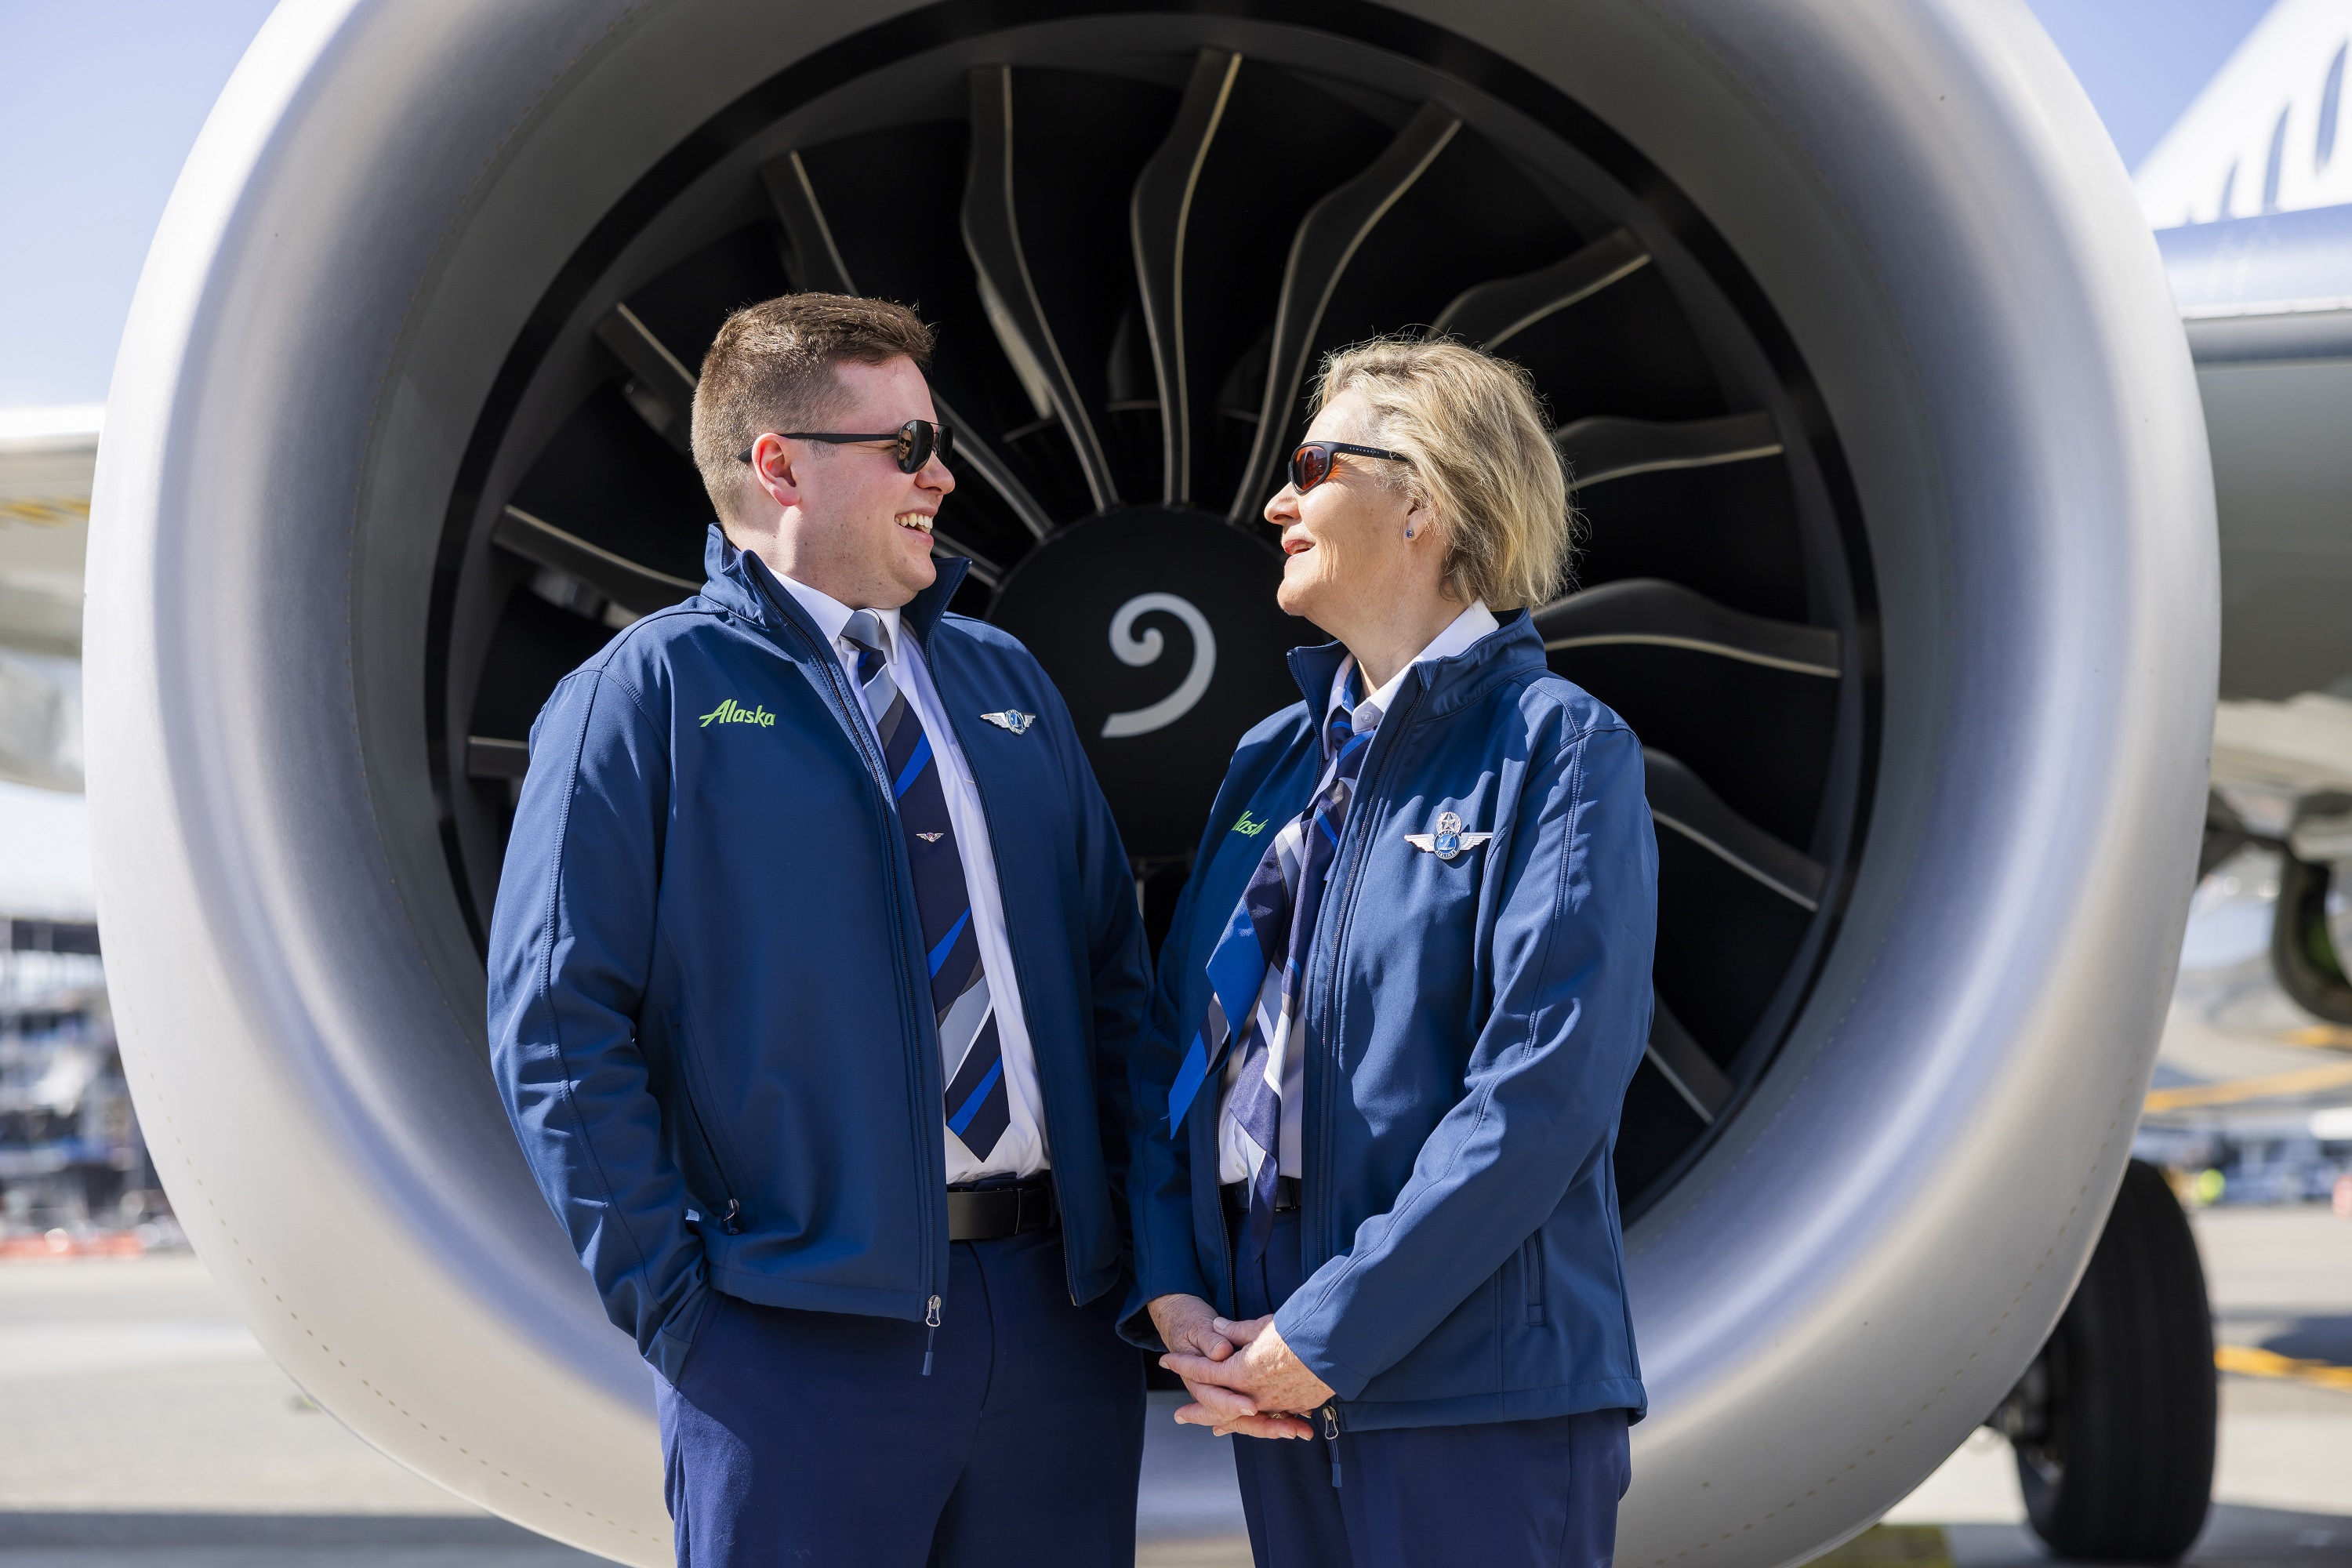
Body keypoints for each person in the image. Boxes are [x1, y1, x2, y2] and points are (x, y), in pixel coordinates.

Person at [487, 293, 1151, 1566]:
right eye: (904, 447)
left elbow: (1114, 984)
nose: (945, 475)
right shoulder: (644, 696)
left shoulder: (1009, 686)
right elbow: (557, 1026)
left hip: (1054, 1325)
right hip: (792, 1341)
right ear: (777, 464)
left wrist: (1132, 1251)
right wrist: (683, 1313)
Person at [1126, 336, 1657, 1568]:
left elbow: (1545, 1089)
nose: (1275, 499)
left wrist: (1330, 1334)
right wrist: (1178, 1289)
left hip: (1472, 1393)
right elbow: (1176, 1049)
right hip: (1275, 1366)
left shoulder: (1558, 750)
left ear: (1424, 500)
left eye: (1311, 463)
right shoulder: (1275, 761)